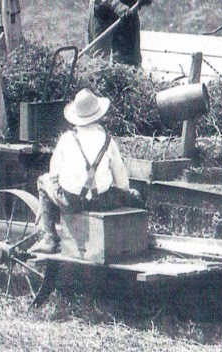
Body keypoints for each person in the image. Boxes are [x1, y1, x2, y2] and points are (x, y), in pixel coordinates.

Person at [33, 88, 143, 253]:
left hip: (71, 202)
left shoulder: (66, 139)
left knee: (43, 181)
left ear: (76, 116)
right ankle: (139, 236)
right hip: (101, 202)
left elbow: (54, 174)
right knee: (133, 194)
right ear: (99, 115)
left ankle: (49, 237)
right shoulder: (108, 141)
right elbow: (123, 184)